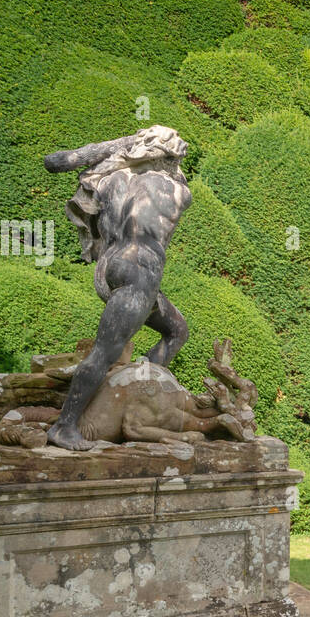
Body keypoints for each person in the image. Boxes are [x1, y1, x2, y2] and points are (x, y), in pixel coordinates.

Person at [42, 126, 192, 450]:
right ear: (167, 156)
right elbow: (172, 176)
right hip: (140, 273)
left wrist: (124, 145)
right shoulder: (177, 188)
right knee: (103, 353)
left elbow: (56, 161)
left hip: (109, 268)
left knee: (177, 330)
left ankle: (138, 383)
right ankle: (64, 426)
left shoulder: (111, 178)